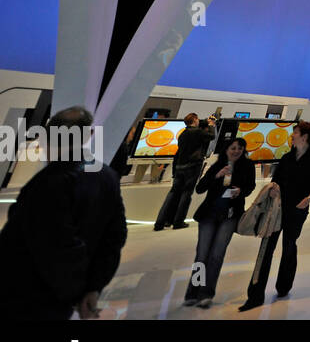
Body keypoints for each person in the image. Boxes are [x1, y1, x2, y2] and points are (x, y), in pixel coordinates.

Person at [0, 106, 127, 320]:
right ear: (89, 135)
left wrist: (76, 292)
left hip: (26, 296)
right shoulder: (107, 177)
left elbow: (56, 245)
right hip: (60, 300)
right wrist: (92, 287)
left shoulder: (49, 183)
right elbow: (114, 238)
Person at [240, 121, 310, 311]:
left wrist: (308, 199)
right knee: (266, 248)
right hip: (277, 210)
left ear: (304, 136)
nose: (292, 135)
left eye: (295, 132)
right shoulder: (287, 157)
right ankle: (255, 295)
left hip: (298, 210)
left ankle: (284, 286)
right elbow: (276, 179)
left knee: (289, 246)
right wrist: (273, 190)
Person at [185, 135, 255, 307]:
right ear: (226, 150)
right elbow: (200, 188)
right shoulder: (217, 165)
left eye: (240, 148)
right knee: (202, 255)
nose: (237, 151)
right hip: (209, 215)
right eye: (233, 148)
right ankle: (193, 292)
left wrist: (241, 191)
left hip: (230, 216)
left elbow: (250, 186)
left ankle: (206, 293)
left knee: (217, 255)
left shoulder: (248, 166)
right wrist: (216, 175)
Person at [154, 113, 213, 230]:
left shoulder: (182, 134)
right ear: (195, 120)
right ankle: (178, 222)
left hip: (180, 167)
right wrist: (211, 125)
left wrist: (206, 121)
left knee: (172, 194)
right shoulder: (197, 132)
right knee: (186, 194)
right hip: (192, 167)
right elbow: (211, 136)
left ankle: (160, 222)